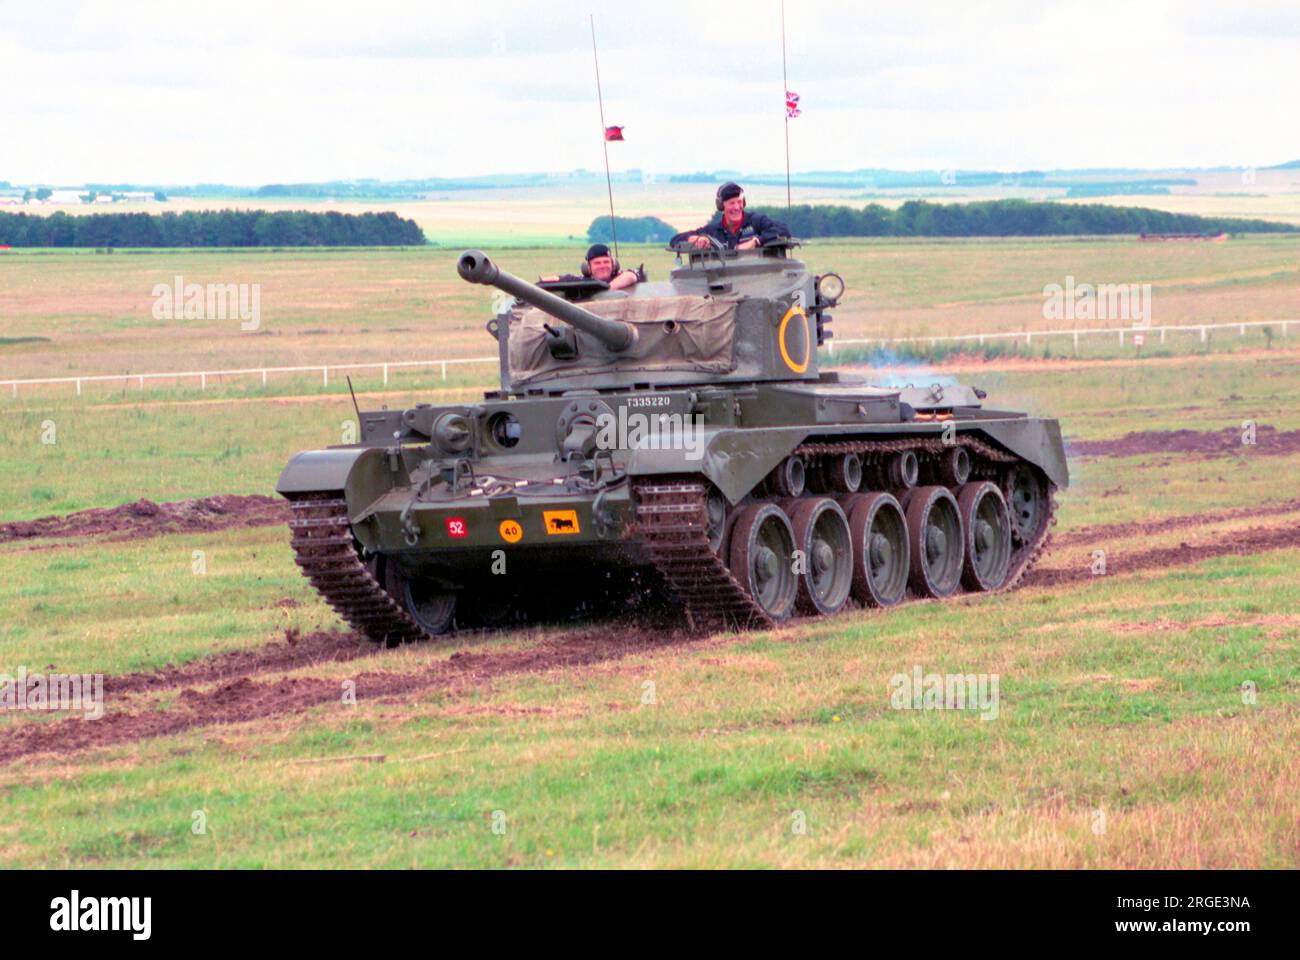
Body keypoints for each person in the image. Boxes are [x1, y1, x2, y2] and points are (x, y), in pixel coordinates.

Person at [671, 182, 791, 251]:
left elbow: (783, 229)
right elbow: (675, 240)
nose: (736, 207)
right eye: (731, 203)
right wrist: (693, 239)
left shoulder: (756, 222)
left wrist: (756, 241)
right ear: (721, 206)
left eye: (739, 202)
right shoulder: (713, 231)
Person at [540, 243, 641, 291]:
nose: (603, 266)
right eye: (597, 263)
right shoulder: (583, 281)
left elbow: (631, 276)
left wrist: (607, 289)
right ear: (588, 267)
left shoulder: (620, 276)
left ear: (613, 264)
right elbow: (555, 279)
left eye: (606, 262)